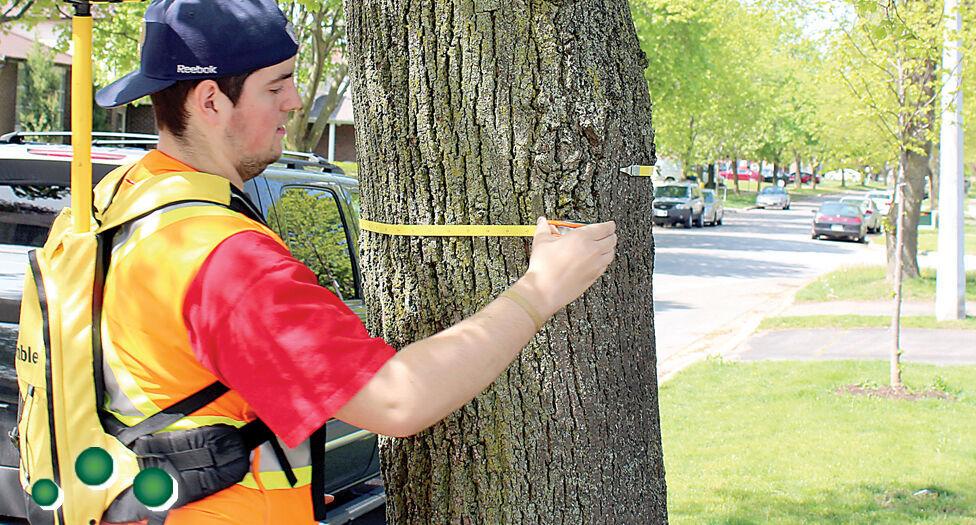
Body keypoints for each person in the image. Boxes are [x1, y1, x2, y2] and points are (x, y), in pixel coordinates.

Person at [91, 1, 617, 523]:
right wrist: (541, 289)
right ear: (210, 101)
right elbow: (397, 402)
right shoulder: (224, 261)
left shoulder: (120, 200)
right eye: (275, 87)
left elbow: (176, 381)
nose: (295, 101)